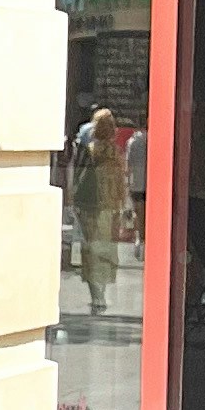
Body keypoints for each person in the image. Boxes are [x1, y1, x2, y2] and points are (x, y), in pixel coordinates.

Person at [68, 106, 128, 317]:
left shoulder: (88, 151)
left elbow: (76, 175)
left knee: (89, 248)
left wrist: (72, 198)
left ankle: (95, 294)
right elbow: (122, 182)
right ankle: (101, 291)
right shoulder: (117, 153)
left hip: (88, 204)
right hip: (110, 207)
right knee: (106, 248)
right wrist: (124, 205)